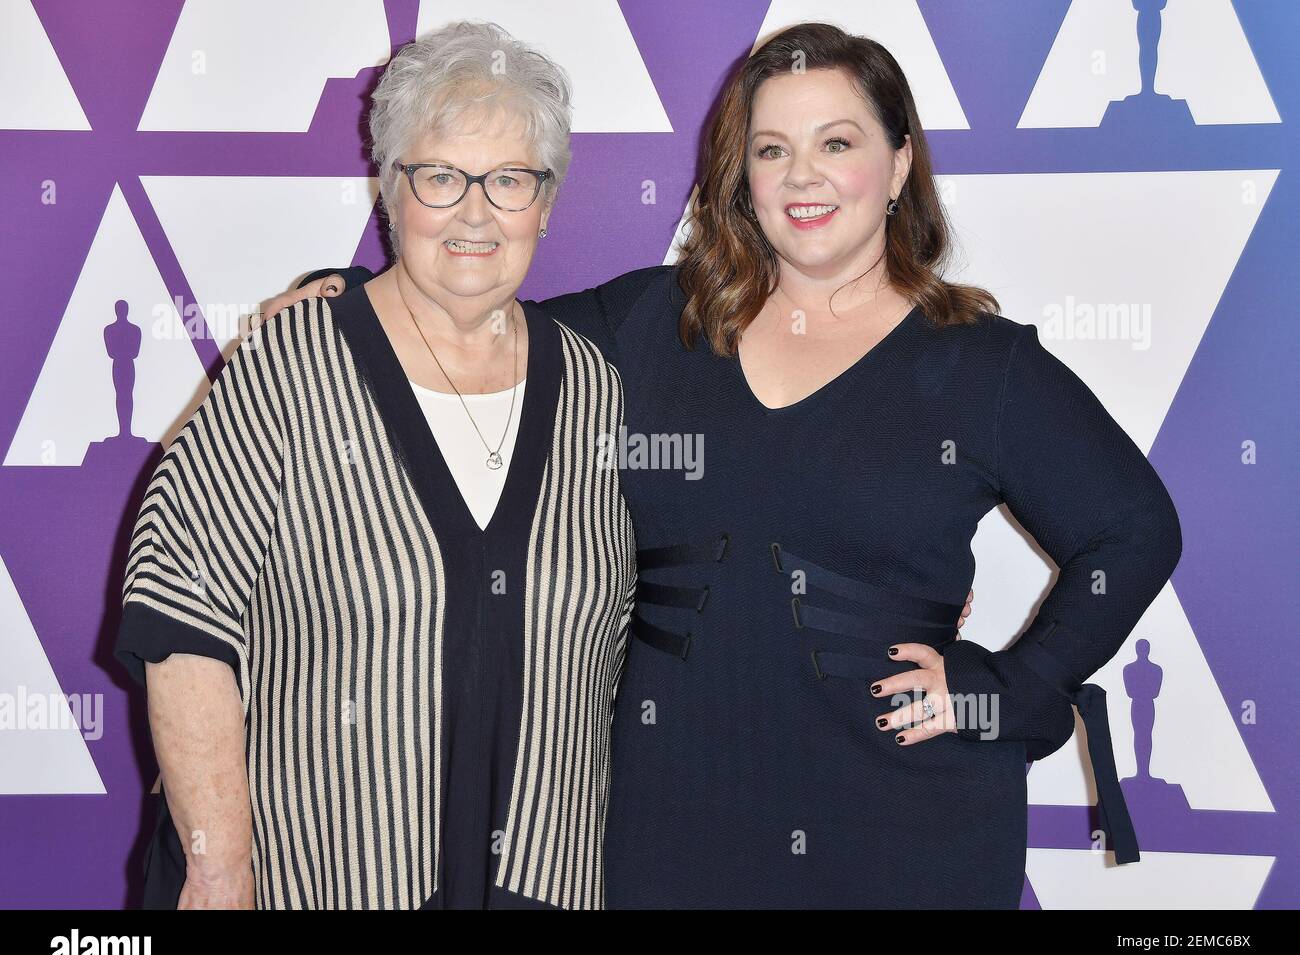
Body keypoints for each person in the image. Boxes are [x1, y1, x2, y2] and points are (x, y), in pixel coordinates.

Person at [284, 21, 1182, 908]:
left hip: (902, 832)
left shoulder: (983, 364)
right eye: (772, 148)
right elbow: (477, 328)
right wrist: (350, 295)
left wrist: (1012, 685)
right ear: (741, 175)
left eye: (838, 142)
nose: (803, 176)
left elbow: (1136, 530)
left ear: (901, 163)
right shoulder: (654, 321)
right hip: (668, 823)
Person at [115, 21, 636, 909]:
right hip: (318, 884)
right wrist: (219, 867)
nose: (476, 212)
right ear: (390, 191)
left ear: (547, 203)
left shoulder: (595, 389)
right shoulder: (290, 364)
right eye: (440, 177)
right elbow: (181, 620)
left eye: (509, 180)